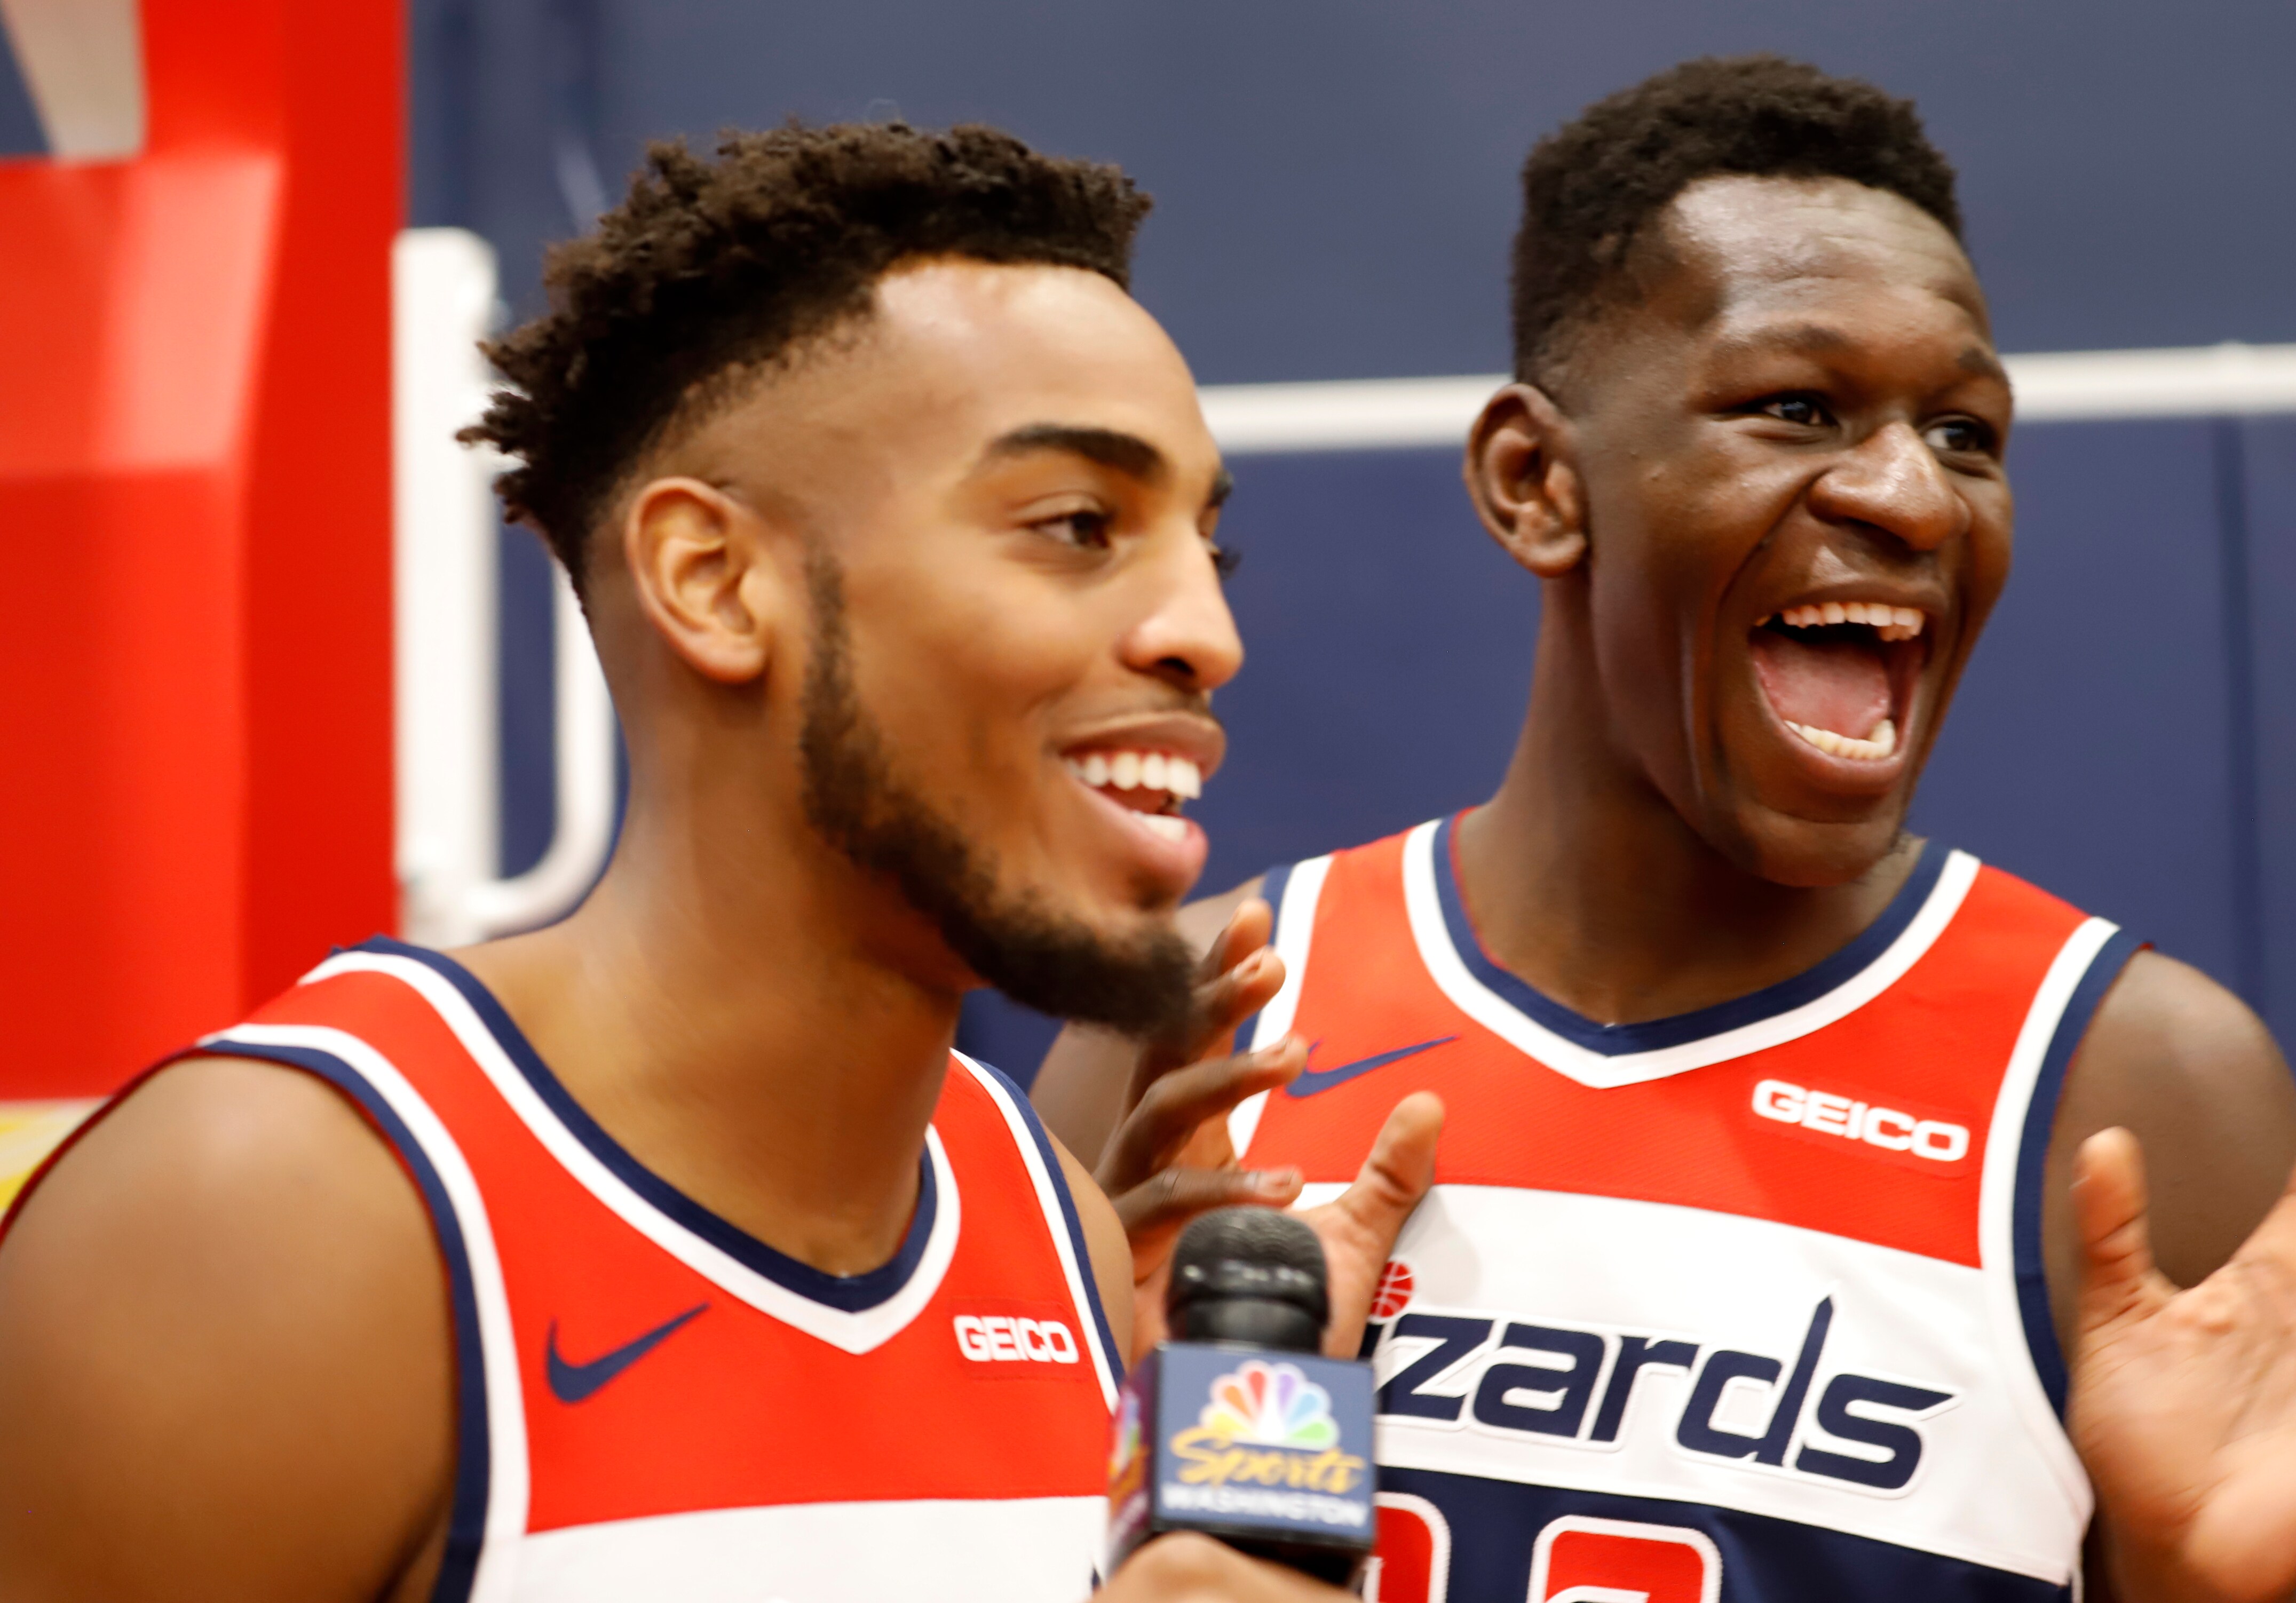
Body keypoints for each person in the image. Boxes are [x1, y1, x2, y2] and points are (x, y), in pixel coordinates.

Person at [1035, 57, 2296, 1603]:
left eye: (1969, 433)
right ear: (1536, 483)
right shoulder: (1208, 1016)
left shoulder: (2133, 1091)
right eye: (1797, 406)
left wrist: (2195, 1581)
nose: (1916, 498)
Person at [0, 121, 1440, 1603]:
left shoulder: (1045, 1217)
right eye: (1081, 525)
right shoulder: (273, 1218)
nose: (1206, 631)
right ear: (713, 580)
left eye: (1211, 549)